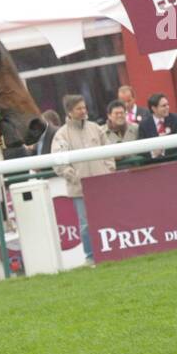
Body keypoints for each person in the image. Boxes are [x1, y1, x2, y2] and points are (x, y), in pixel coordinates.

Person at [52, 95, 113, 263]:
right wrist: (75, 176)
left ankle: (111, 251)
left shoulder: (95, 128)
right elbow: (58, 163)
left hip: (102, 184)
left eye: (84, 107)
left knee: (107, 218)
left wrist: (108, 169)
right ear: (69, 112)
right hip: (79, 188)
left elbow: (108, 152)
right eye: (79, 108)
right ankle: (90, 256)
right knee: (85, 224)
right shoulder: (61, 135)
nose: (83, 111)